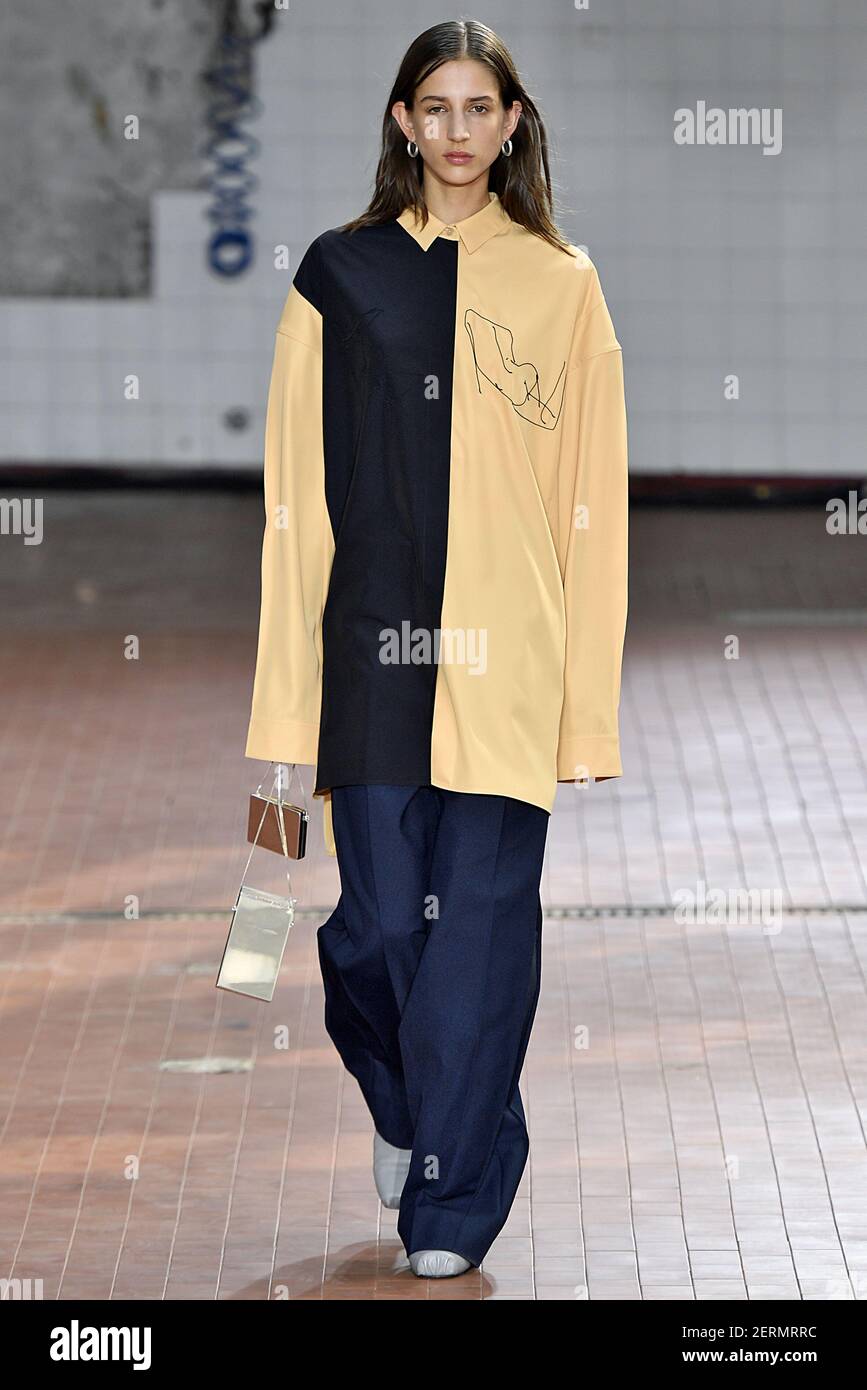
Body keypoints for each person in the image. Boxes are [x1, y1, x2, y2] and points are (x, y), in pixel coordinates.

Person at [245, 18, 629, 1278]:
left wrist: (583, 709)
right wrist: (282, 718)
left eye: (480, 107)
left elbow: (593, 510)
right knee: (372, 934)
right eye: (436, 107)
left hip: (508, 664)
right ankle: (409, 1107)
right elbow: (295, 509)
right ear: (403, 122)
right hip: (373, 655)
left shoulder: (563, 284)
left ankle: (453, 1202)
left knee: (476, 940)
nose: (458, 130)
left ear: (511, 124)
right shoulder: (337, 276)